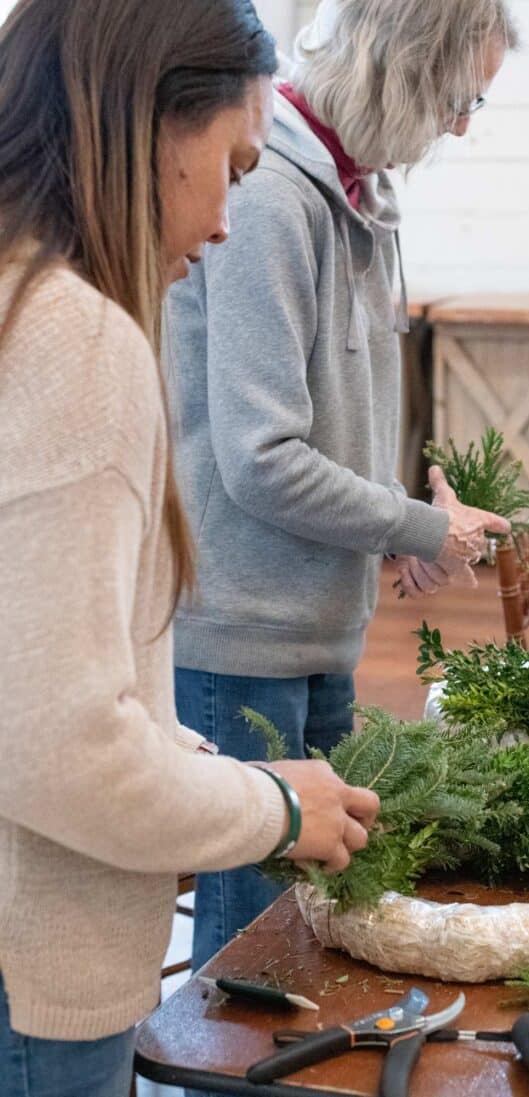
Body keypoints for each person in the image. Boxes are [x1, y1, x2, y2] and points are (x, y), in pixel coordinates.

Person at [0, 2, 379, 1094]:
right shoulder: (73, 337)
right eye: (233, 165)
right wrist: (280, 807)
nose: (222, 224)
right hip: (37, 964)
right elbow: (62, 751)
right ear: (154, 122)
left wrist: (191, 762)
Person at [165, 0, 516, 974]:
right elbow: (263, 457)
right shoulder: (272, 196)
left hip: (315, 619)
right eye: (460, 97)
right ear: (404, 66)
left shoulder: (357, 190)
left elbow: (329, 417)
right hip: (244, 632)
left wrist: (400, 522)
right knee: (250, 963)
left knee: (313, 925)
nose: (459, 127)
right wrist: (413, 523)